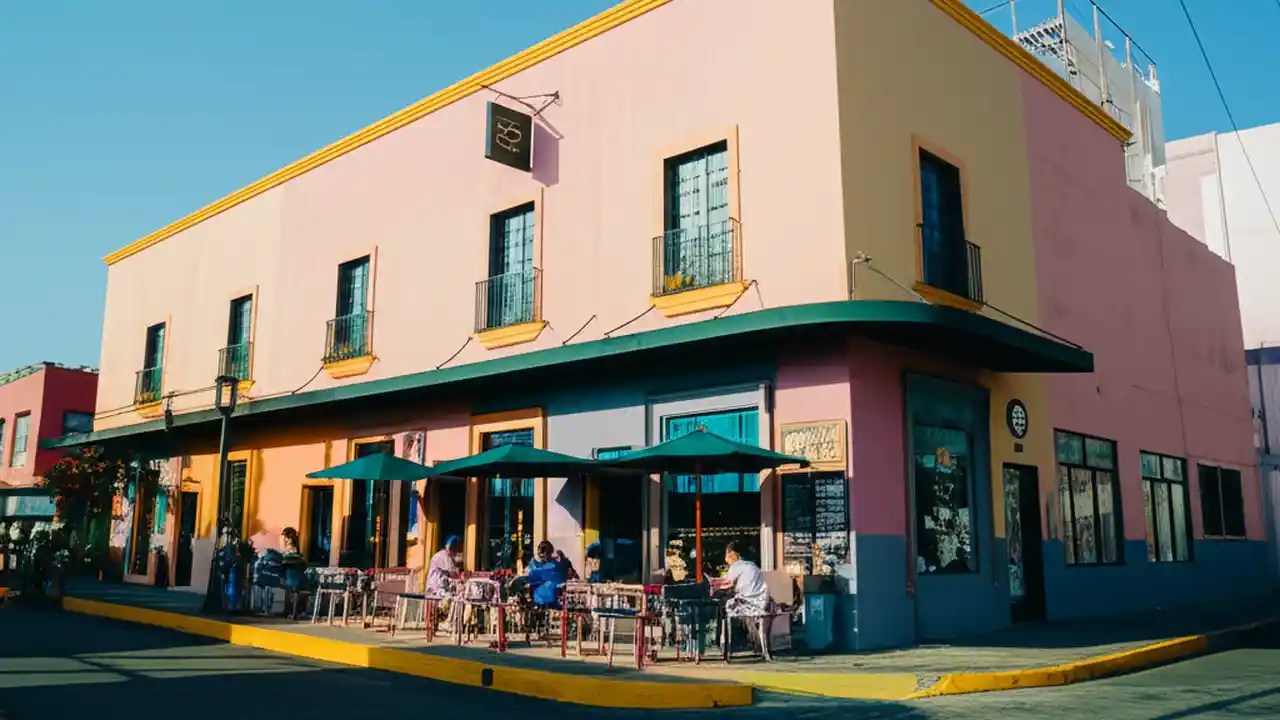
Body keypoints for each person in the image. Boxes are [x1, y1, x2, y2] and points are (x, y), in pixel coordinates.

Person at [712, 541, 771, 618]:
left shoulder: (737, 566)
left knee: (725, 606)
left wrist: (714, 587)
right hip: (762, 605)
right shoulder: (753, 566)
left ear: (732, 554)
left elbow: (726, 584)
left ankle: (728, 628)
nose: (727, 561)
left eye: (727, 555)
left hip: (749, 606)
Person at [526, 540, 570, 607]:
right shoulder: (557, 565)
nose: (544, 556)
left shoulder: (536, 567)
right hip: (550, 603)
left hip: (544, 603)